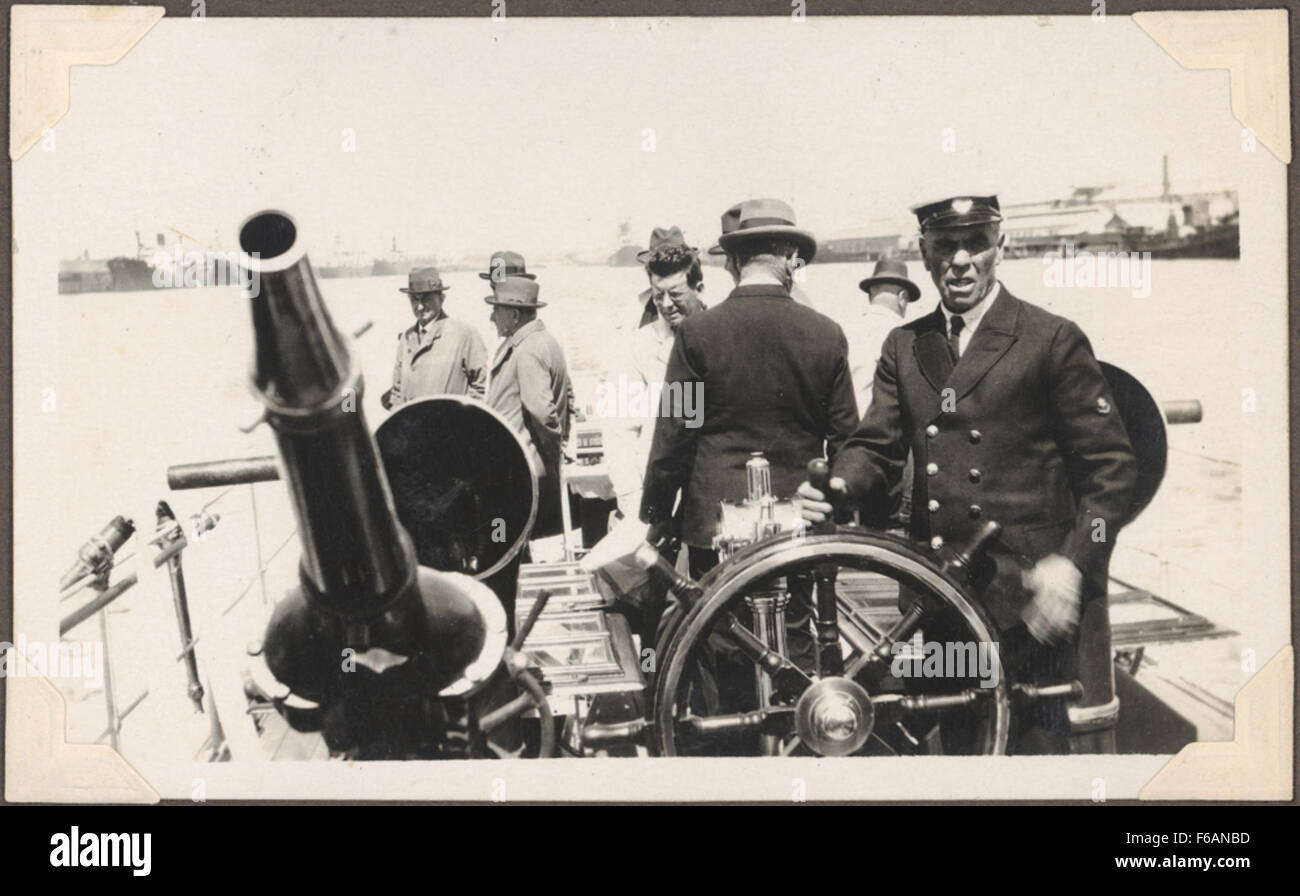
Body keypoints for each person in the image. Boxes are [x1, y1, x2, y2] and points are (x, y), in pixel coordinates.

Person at [797, 193, 1138, 754]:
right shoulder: (905, 345)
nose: (960, 261)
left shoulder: (1050, 339)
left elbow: (1113, 471)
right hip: (944, 599)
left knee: (1039, 764)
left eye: (975, 244)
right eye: (944, 245)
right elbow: (876, 447)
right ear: (924, 254)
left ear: (999, 248)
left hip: (1033, 607)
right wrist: (837, 486)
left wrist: (1073, 563)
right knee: (961, 751)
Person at [641, 197, 859, 578]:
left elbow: (673, 435)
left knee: (722, 635)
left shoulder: (695, 334)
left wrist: (657, 516)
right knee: (795, 629)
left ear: (734, 261)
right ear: (792, 259)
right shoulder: (828, 334)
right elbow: (846, 440)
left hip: (716, 526)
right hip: (800, 524)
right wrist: (839, 515)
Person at [485, 275, 572, 541]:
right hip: (530, 465)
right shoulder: (544, 341)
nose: (492, 317)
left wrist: (552, 450)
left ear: (513, 315)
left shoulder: (528, 349)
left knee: (510, 541)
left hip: (522, 467)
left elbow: (542, 412)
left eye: (496, 309)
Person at [382, 266, 487, 409]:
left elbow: (481, 386)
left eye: (426, 299)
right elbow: (397, 391)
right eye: (414, 300)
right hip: (411, 427)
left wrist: (465, 419)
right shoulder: (406, 338)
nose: (419, 307)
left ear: (441, 298)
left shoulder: (463, 334)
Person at [849, 257, 920, 414]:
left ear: (870, 294)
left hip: (843, 428)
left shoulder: (846, 329)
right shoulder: (903, 334)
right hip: (878, 430)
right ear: (902, 298)